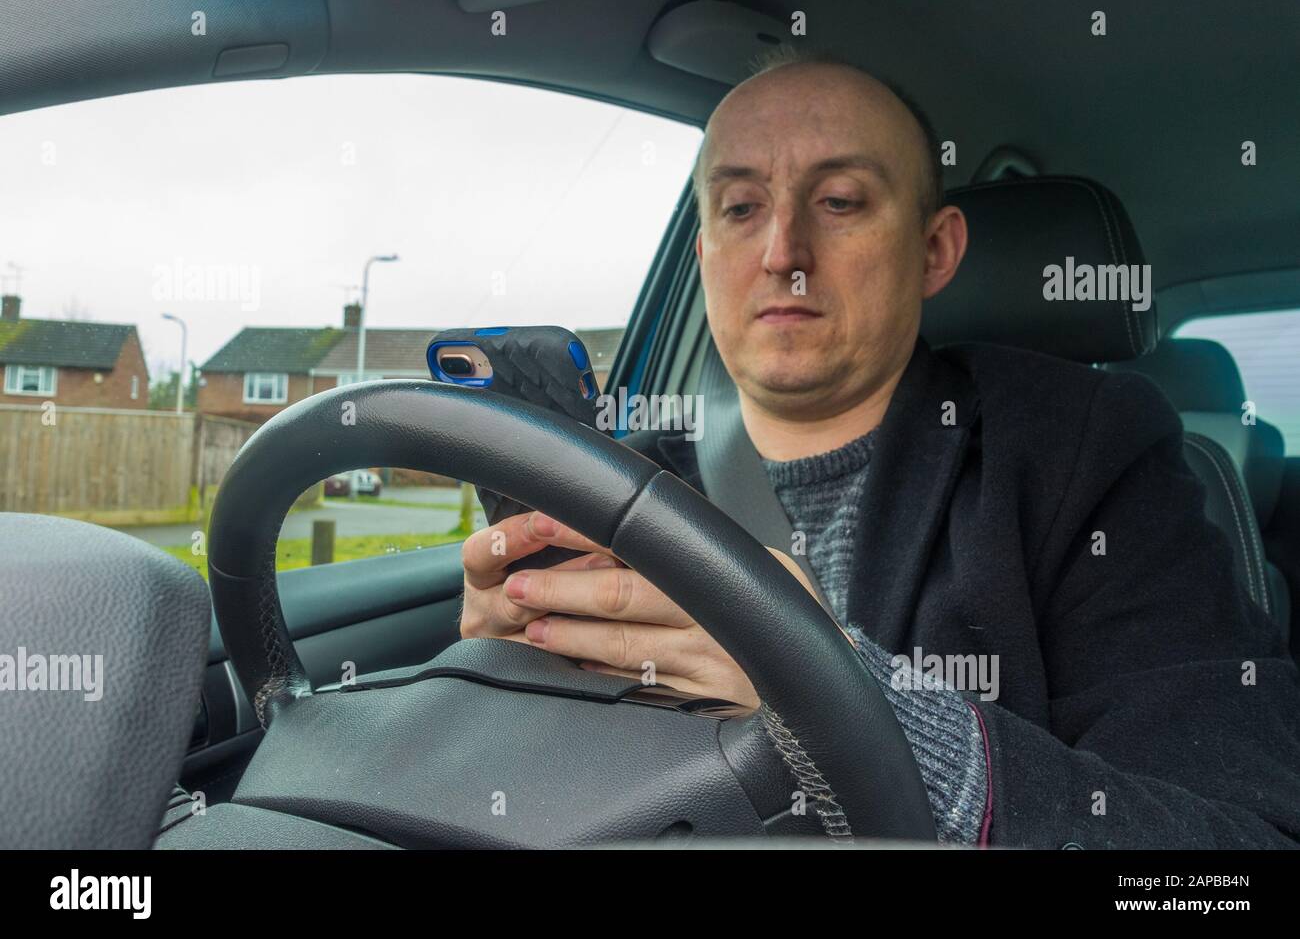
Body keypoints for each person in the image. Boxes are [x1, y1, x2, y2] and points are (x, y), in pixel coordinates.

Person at [458, 50, 1300, 847]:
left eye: (841, 201)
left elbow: (1224, 864)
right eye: (741, 207)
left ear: (935, 251)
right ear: (706, 244)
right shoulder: (618, 485)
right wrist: (497, 679)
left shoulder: (1087, 449)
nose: (783, 254)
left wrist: (844, 699)